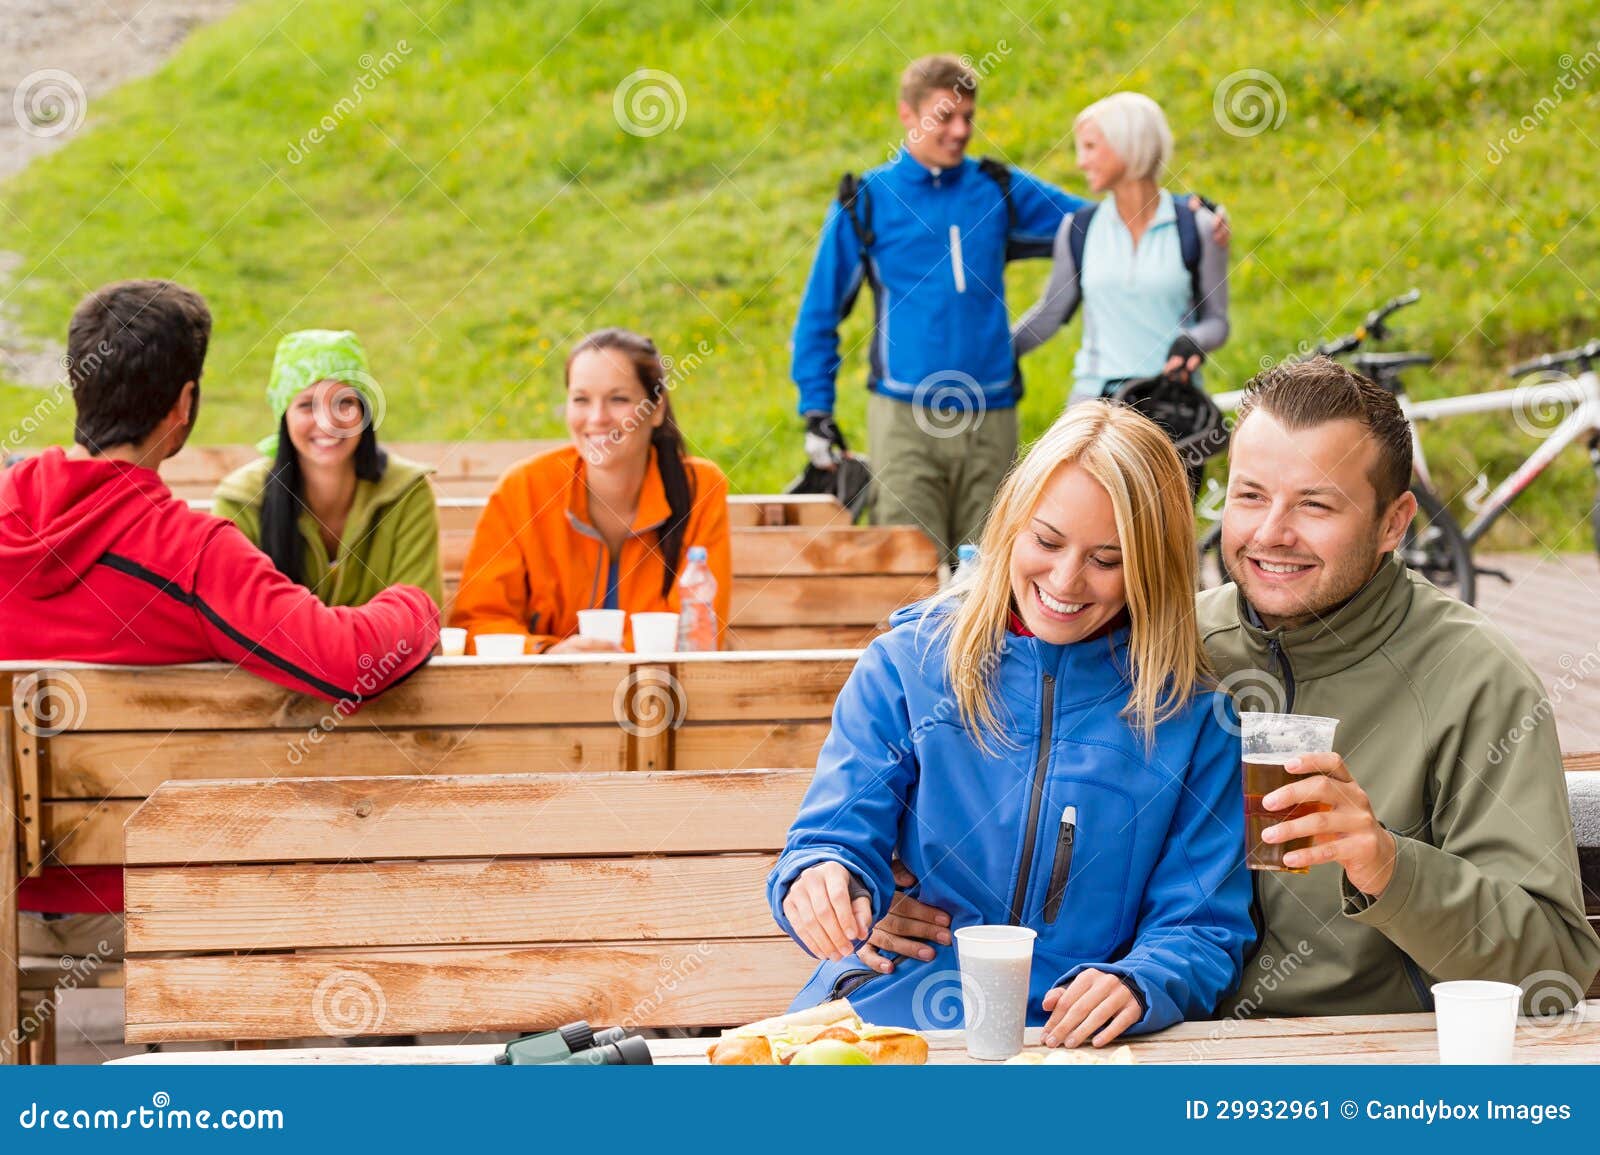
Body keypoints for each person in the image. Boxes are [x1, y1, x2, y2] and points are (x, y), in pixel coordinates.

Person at [863, 357, 1600, 1018]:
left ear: (1394, 522)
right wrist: (900, 901)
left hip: (1357, 1060)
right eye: (1250, 495)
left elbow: (1557, 966)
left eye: (1316, 504)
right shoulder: (1161, 646)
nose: (1271, 532)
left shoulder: (1475, 680)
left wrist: (1387, 864)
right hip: (1155, 1047)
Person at [768, 402, 1253, 1048]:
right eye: (1047, 541)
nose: (1064, 579)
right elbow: (832, 837)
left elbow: (1202, 925)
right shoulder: (907, 665)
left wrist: (1140, 982)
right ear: (1011, 525)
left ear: (1150, 568)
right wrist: (826, 878)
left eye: (1106, 559)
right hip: (886, 1021)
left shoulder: (1193, 719)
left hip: (1065, 1041)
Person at [0, 280, 439, 959]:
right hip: (139, 898)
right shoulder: (191, 553)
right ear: (184, 406)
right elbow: (349, 661)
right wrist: (416, 604)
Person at [791, 56, 1229, 567]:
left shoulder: (998, 186)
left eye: (969, 117)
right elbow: (819, 315)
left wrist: (1189, 210)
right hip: (904, 414)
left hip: (992, 411)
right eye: (944, 116)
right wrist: (816, 410)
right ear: (907, 114)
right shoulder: (864, 202)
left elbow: (1109, 218)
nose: (960, 131)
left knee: (996, 568)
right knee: (907, 569)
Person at [452, 328, 731, 654]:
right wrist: (547, 654)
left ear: (656, 409)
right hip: (544, 698)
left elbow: (696, 628)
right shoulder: (523, 489)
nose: (597, 418)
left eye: (619, 399)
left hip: (656, 696)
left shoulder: (700, 488)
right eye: (581, 399)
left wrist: (610, 664)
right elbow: (479, 622)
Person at [1012, 91, 1230, 406]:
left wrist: (1192, 342)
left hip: (1171, 406)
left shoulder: (1200, 227)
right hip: (1094, 409)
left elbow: (1217, 322)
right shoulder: (1079, 228)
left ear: (1127, 144)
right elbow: (1050, 313)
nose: (1080, 161)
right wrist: (992, 355)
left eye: (1090, 147)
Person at [212, 330, 443, 608]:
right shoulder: (241, 501)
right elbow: (235, 619)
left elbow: (417, 619)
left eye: (344, 402)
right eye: (307, 405)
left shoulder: (408, 493)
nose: (327, 422)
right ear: (284, 415)